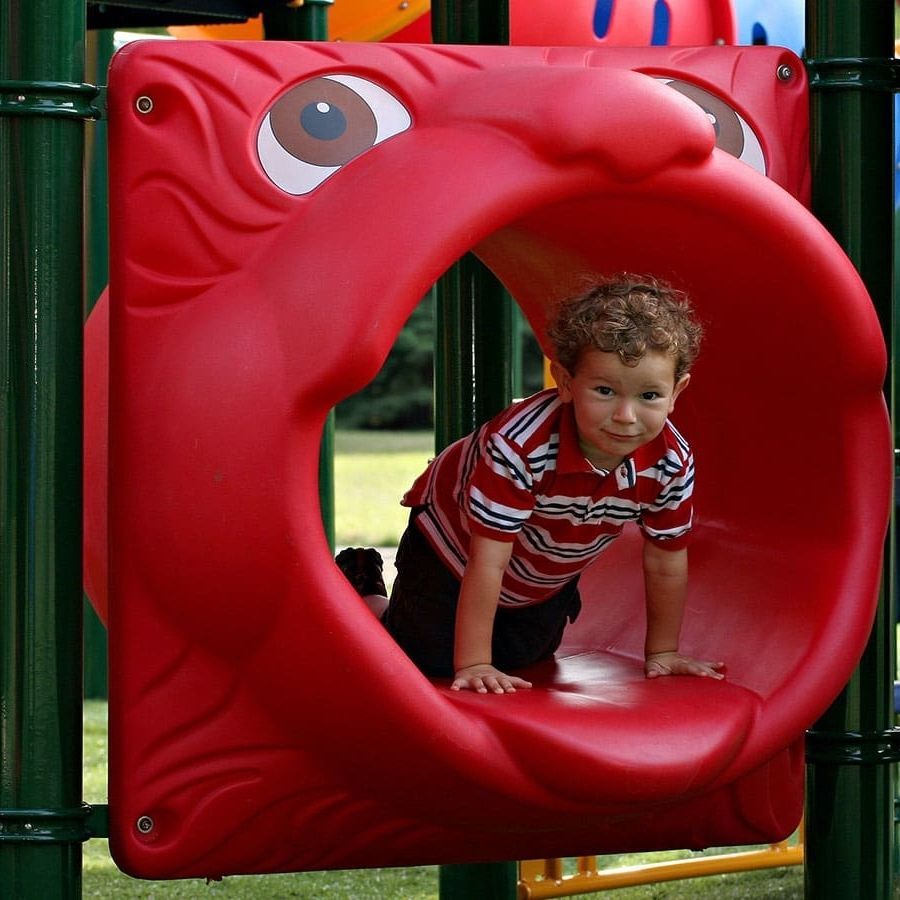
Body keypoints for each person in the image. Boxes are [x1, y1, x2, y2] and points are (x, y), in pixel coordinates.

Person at [337, 274, 724, 694]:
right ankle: (366, 594)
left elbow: (666, 560)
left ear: (676, 391)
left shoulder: (670, 460)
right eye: (605, 390)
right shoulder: (521, 447)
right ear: (566, 381)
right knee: (428, 657)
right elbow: (487, 560)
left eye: (649, 396)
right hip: (454, 542)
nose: (626, 415)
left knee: (526, 656)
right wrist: (475, 663)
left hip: (547, 559)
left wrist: (662, 653)